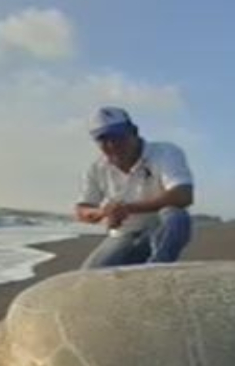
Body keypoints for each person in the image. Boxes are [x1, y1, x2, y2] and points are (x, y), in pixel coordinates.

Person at [74, 106, 195, 269]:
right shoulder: (96, 168)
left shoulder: (165, 152)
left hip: (158, 228)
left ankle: (157, 270)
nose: (112, 144)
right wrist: (104, 212)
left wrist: (127, 209)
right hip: (123, 234)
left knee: (176, 217)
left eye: (118, 135)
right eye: (103, 139)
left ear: (134, 131)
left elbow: (183, 195)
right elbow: (82, 210)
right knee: (87, 275)